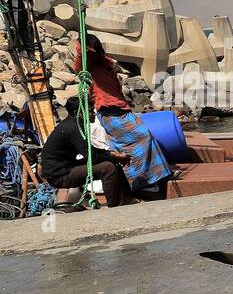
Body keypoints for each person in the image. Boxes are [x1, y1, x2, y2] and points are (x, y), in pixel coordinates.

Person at [76, 35, 171, 194]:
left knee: (145, 138)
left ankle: (155, 177)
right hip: (108, 111)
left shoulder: (104, 63)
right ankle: (139, 181)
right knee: (142, 136)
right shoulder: (89, 65)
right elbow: (80, 63)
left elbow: (102, 59)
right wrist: (82, 45)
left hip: (121, 108)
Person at [39, 99, 132, 206]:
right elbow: (92, 156)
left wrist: (115, 156)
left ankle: (127, 198)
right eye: (90, 111)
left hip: (66, 166)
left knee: (113, 162)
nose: (93, 114)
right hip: (60, 175)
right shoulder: (72, 128)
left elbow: (90, 151)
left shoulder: (74, 124)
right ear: (76, 113)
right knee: (108, 168)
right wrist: (115, 156)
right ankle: (115, 206)